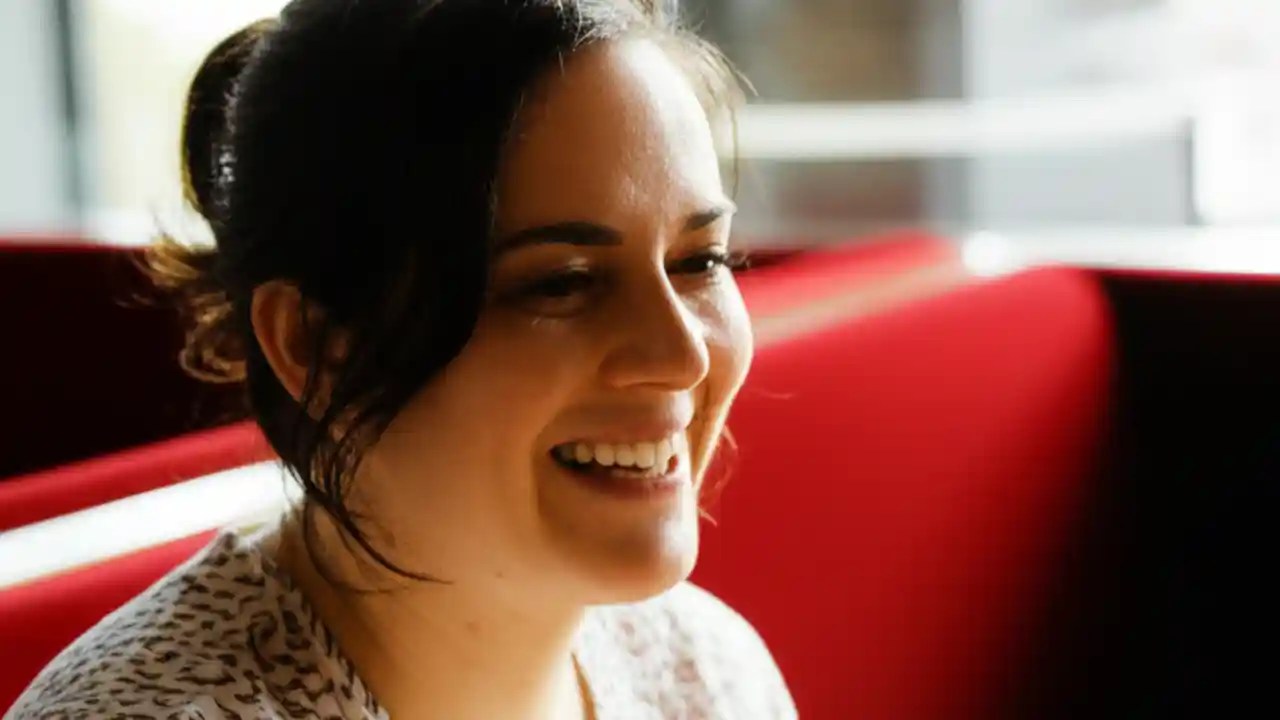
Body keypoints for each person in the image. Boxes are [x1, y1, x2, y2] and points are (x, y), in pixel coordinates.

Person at [8, 1, 795, 718]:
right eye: (563, 282)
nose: (682, 354)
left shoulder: (703, 673)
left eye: (703, 262)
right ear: (317, 349)